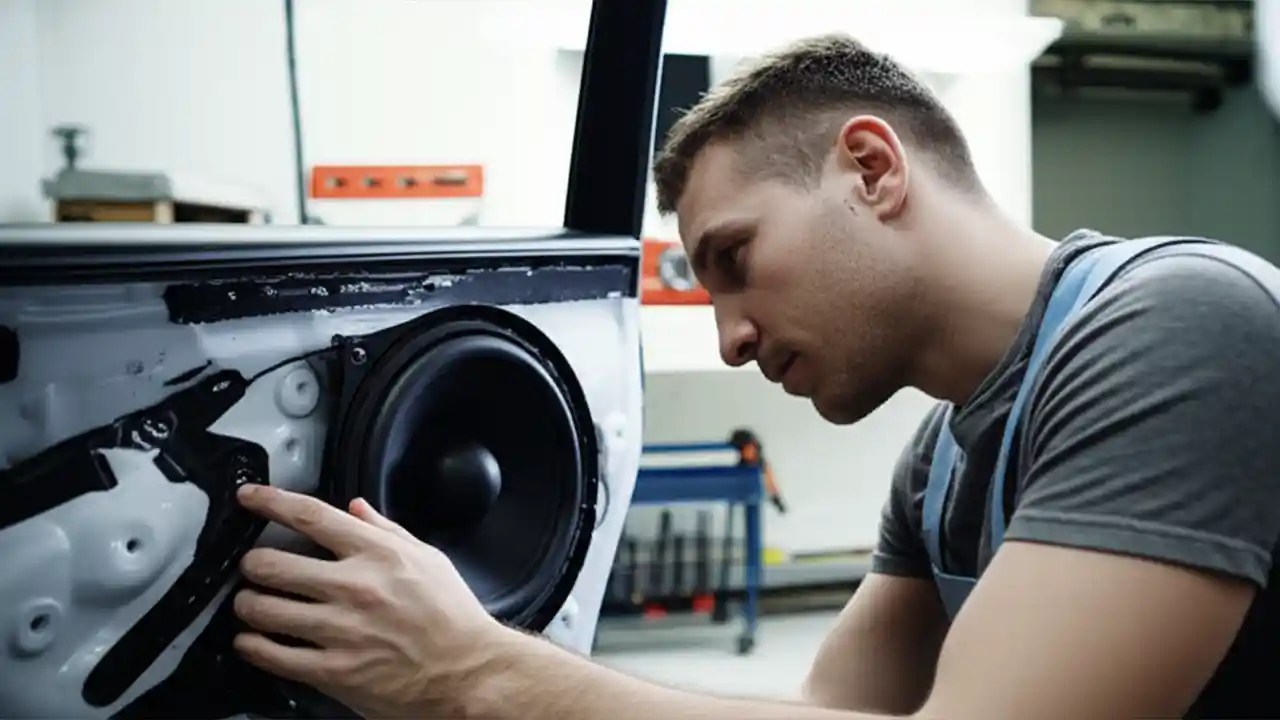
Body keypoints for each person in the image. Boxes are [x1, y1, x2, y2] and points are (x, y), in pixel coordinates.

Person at [227, 33, 1280, 719]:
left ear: (869, 170)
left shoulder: (1177, 320)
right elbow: (839, 714)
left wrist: (475, 670)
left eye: (733, 261)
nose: (729, 336)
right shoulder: (943, 461)